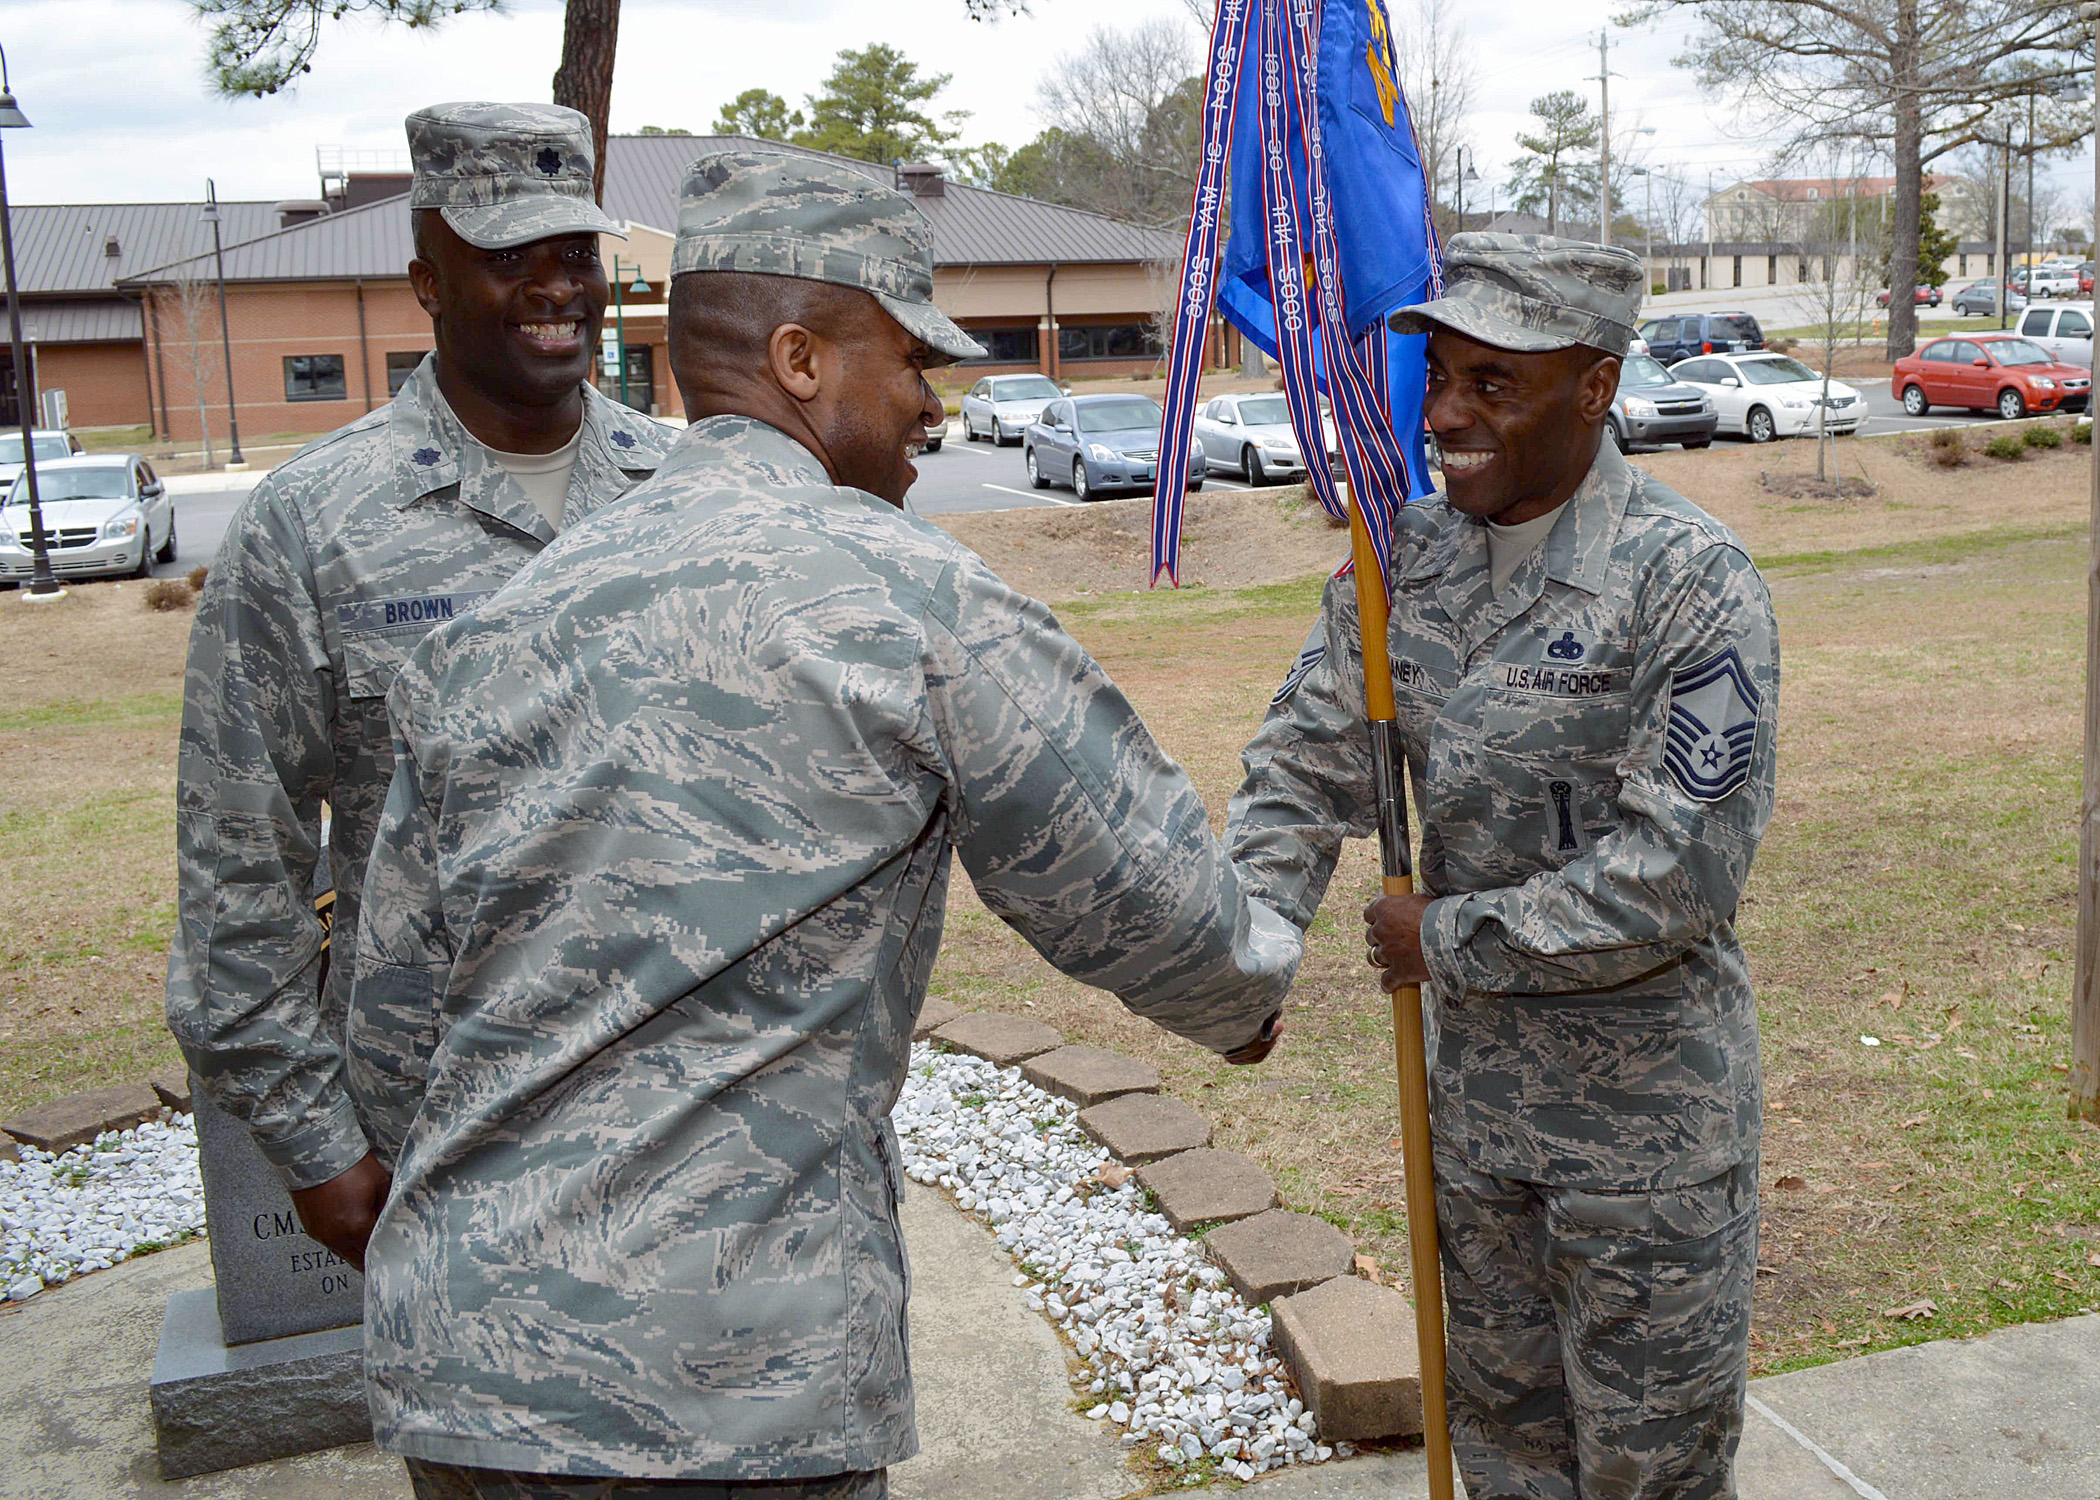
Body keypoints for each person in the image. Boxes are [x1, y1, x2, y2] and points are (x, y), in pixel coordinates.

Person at [345, 146, 1296, 1499]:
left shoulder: (487, 636)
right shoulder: (908, 600)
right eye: (908, 361)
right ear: (799, 361)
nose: (929, 405)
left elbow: (391, 1034)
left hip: (470, 1378)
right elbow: (1146, 897)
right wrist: (1241, 993)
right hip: (731, 1393)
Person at [1228, 234, 1778, 1500]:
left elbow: (1678, 877)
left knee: (1650, 1475)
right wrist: (1245, 957)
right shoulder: (1401, 563)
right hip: (1476, 1132)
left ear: (1595, 387)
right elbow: (1301, 768)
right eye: (1439, 377)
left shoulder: (1689, 582)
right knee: (1507, 1459)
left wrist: (1443, 937)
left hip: (1647, 1151)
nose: (1444, 417)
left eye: (1492, 383)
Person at [165, 101, 673, 1270]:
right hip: (447, 1137)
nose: (557, 287)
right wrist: (313, 1144)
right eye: (508, 255)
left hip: (684, 1109)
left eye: (576, 251)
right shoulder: (311, 526)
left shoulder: (686, 491)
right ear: (426, 283)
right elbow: (239, 856)